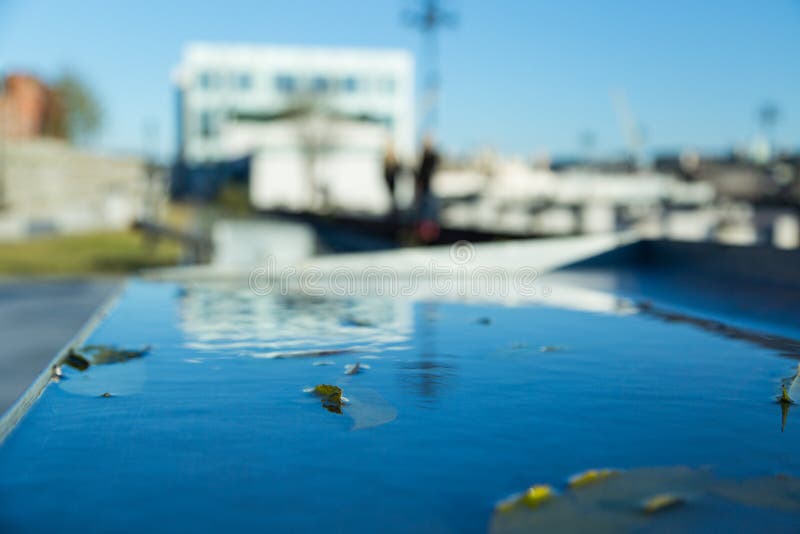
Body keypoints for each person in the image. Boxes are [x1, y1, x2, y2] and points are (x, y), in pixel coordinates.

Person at [414, 135, 441, 242]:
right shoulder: (425, 156)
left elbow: (427, 173)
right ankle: (424, 235)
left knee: (428, 212)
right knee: (424, 213)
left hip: (428, 189)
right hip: (424, 188)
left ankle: (429, 236)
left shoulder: (432, 156)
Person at [383, 143, 400, 216]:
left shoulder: (393, 157)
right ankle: (392, 210)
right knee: (390, 195)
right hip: (389, 178)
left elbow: (396, 168)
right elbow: (385, 169)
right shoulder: (387, 157)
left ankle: (393, 210)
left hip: (392, 179)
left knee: (392, 195)